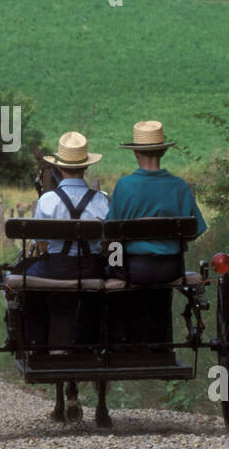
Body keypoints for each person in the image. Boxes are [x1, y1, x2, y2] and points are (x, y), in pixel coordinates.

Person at [107, 120, 207, 345]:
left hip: (135, 269)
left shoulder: (124, 186)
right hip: (171, 268)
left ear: (135, 153)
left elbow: (111, 232)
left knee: (109, 268)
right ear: (162, 151)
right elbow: (194, 230)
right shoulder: (179, 186)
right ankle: (160, 346)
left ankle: (125, 342)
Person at [21, 132, 109, 357]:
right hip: (92, 269)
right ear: (86, 168)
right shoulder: (101, 200)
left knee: (23, 280)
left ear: (59, 168)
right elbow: (107, 243)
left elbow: (41, 245)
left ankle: (35, 341)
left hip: (57, 269)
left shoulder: (47, 201)